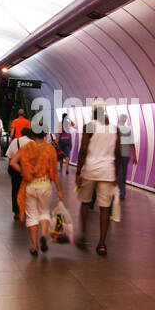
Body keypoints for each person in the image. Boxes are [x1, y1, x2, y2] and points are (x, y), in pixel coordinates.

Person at [74, 100, 123, 256]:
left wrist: (78, 172)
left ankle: (83, 235)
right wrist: (116, 173)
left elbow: (83, 149)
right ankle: (102, 243)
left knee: (85, 202)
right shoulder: (114, 129)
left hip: (90, 170)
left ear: (93, 112)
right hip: (107, 171)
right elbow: (118, 153)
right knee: (104, 207)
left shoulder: (89, 126)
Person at [9, 123, 63, 256]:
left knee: (31, 216)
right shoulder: (50, 149)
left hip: (30, 186)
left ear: (32, 134)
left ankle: (34, 246)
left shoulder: (26, 147)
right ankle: (43, 235)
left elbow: (12, 162)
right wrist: (60, 190)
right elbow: (54, 173)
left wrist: (23, 171)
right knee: (44, 212)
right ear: (45, 134)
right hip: (45, 186)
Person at [6, 125, 34, 221]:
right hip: (28, 169)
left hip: (15, 169)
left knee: (15, 190)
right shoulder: (32, 143)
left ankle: (17, 212)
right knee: (28, 191)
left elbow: (9, 156)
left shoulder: (15, 141)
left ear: (21, 133)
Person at [116, 112, 137, 200]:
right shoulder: (129, 130)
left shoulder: (116, 129)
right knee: (124, 174)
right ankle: (122, 192)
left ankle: (121, 193)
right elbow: (132, 144)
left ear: (119, 120)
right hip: (127, 155)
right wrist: (135, 156)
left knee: (119, 174)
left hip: (119, 154)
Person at [56, 113, 75, 178]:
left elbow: (58, 133)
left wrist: (57, 141)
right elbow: (75, 126)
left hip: (62, 140)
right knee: (67, 155)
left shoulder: (60, 123)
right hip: (68, 139)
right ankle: (67, 168)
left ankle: (61, 169)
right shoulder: (68, 123)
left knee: (61, 154)